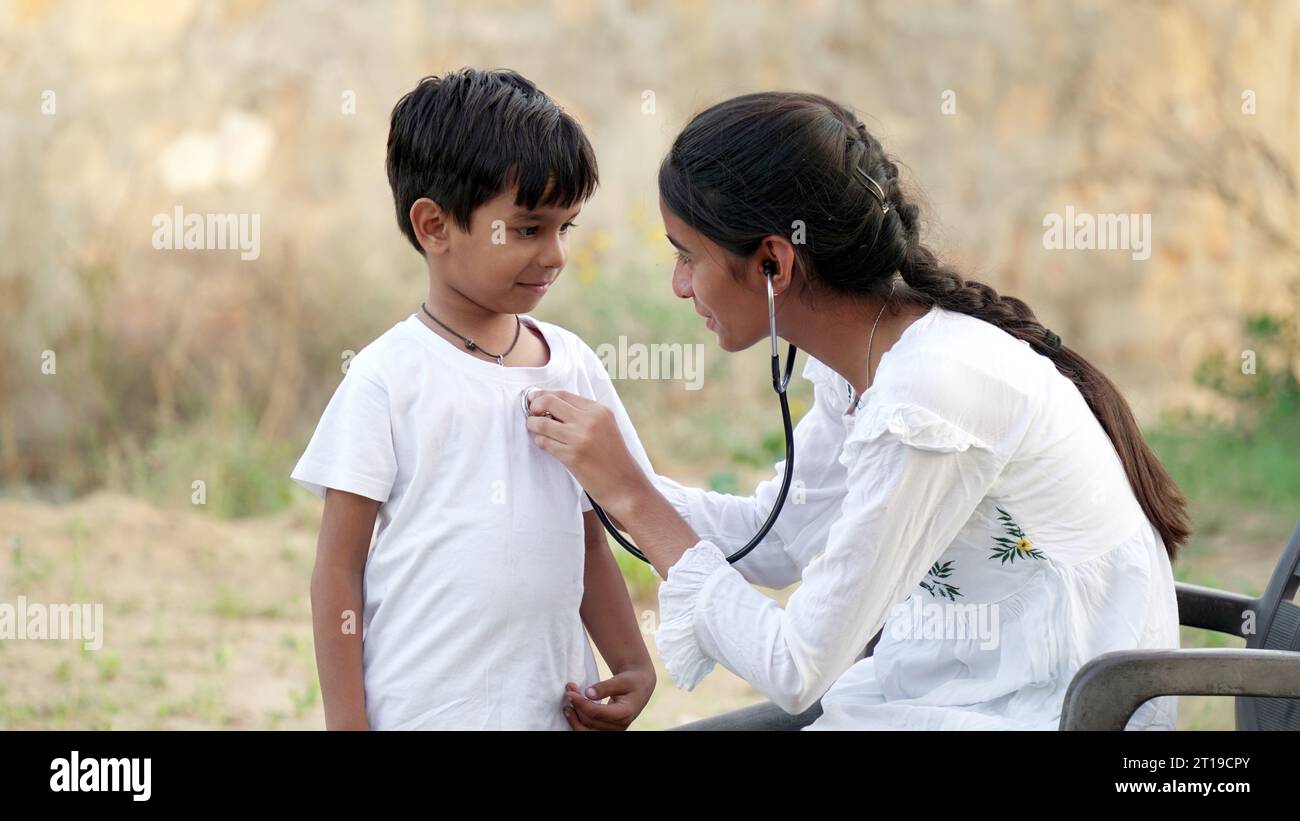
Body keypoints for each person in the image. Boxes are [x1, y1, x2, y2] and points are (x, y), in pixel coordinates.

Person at [533, 91, 1190, 731]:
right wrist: (607, 482)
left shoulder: (927, 397)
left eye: (687, 255)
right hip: (953, 695)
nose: (679, 285)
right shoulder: (870, 366)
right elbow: (778, 539)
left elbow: (796, 667)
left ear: (773, 262)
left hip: (1040, 713)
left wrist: (632, 496)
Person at [291, 68, 655, 730]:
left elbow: (587, 537)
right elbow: (338, 570)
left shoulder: (572, 366)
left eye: (566, 227)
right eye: (528, 228)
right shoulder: (387, 378)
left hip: (552, 712)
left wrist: (633, 663)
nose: (555, 254)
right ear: (435, 225)